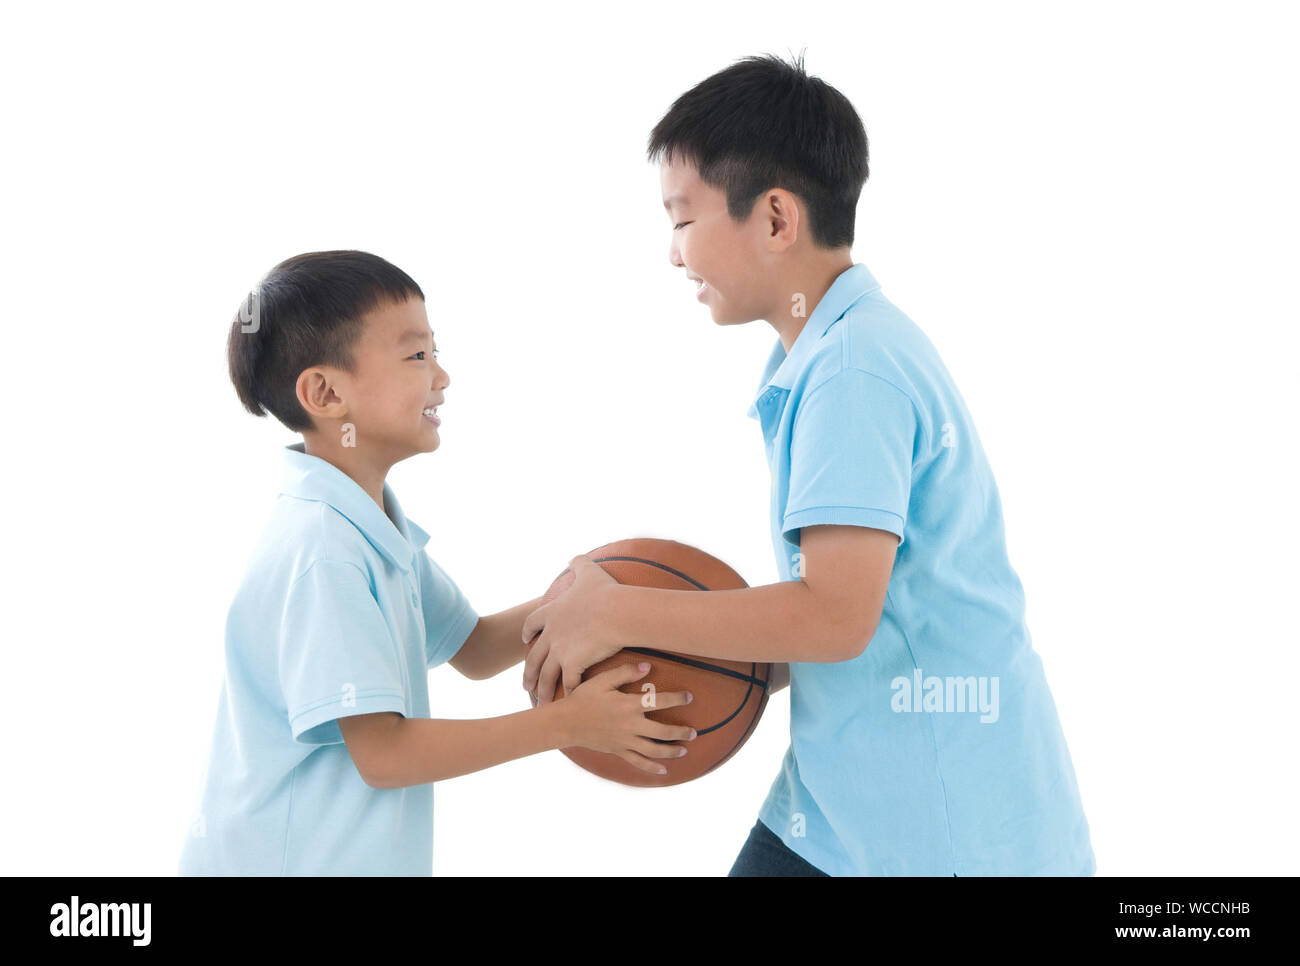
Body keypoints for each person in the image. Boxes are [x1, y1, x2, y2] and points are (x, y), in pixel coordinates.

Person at [522, 54, 1096, 877]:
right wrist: (656, 650)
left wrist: (626, 615)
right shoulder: (824, 351)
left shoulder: (852, 371)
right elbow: (845, 618)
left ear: (777, 218)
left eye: (683, 220)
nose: (673, 254)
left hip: (940, 830)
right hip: (834, 807)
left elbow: (835, 617)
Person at [179, 250, 694, 875]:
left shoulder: (368, 524)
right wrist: (569, 723)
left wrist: (603, 600)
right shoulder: (324, 552)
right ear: (325, 392)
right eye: (416, 355)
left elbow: (473, 648)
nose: (442, 376)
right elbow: (386, 755)